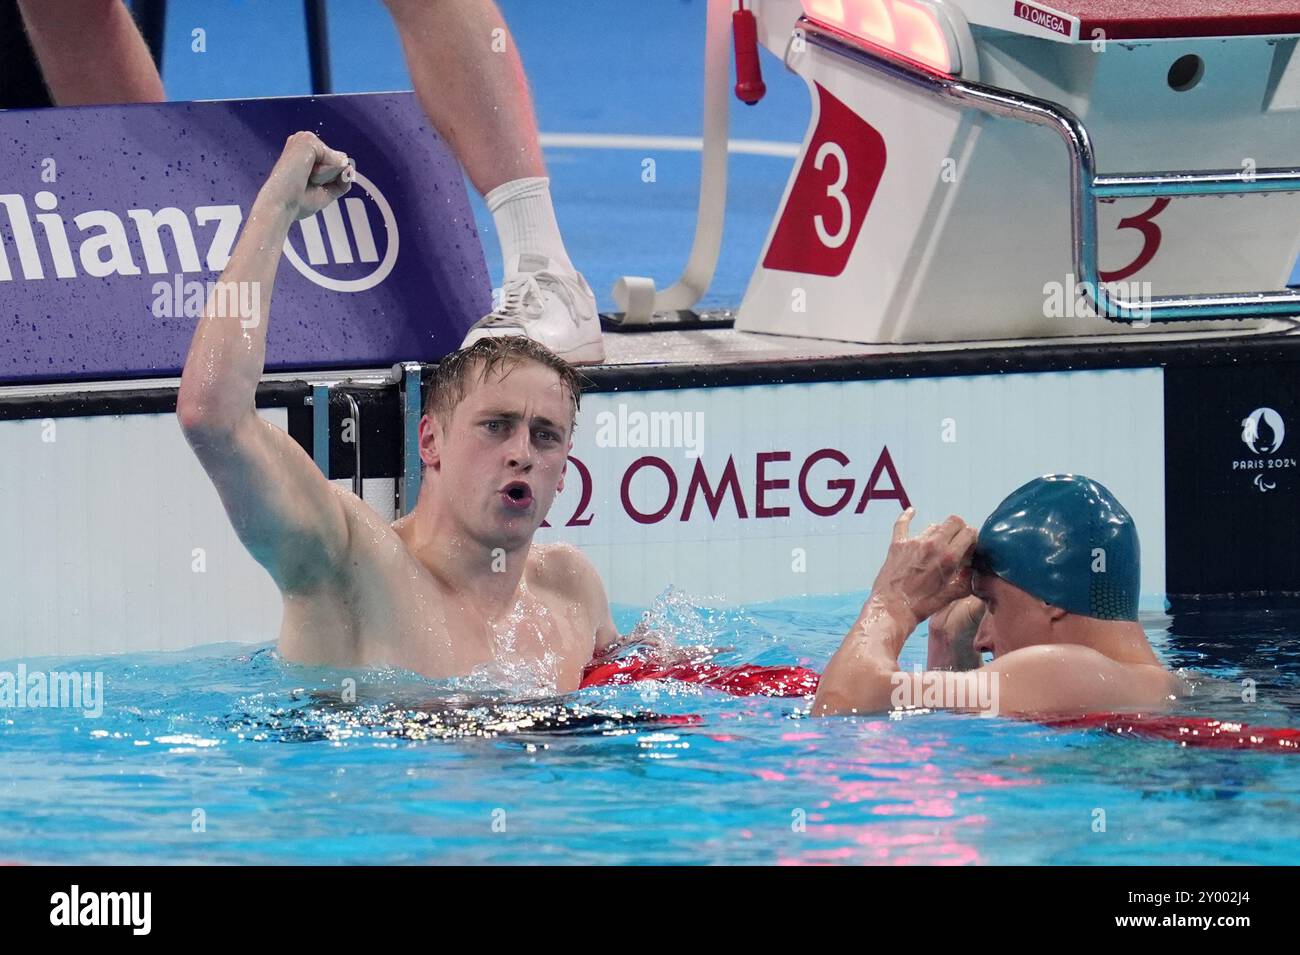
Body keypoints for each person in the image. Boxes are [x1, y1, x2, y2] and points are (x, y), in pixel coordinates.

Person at [177, 132, 617, 693]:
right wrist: (278, 209)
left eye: (545, 436)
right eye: (496, 426)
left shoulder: (570, 588)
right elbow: (213, 417)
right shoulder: (352, 566)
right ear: (430, 441)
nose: (521, 454)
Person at [811, 474, 1191, 717]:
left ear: (1051, 600)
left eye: (991, 604)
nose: (983, 638)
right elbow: (958, 728)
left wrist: (892, 602)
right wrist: (948, 642)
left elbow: (841, 706)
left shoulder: (1067, 671)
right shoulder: (1164, 686)